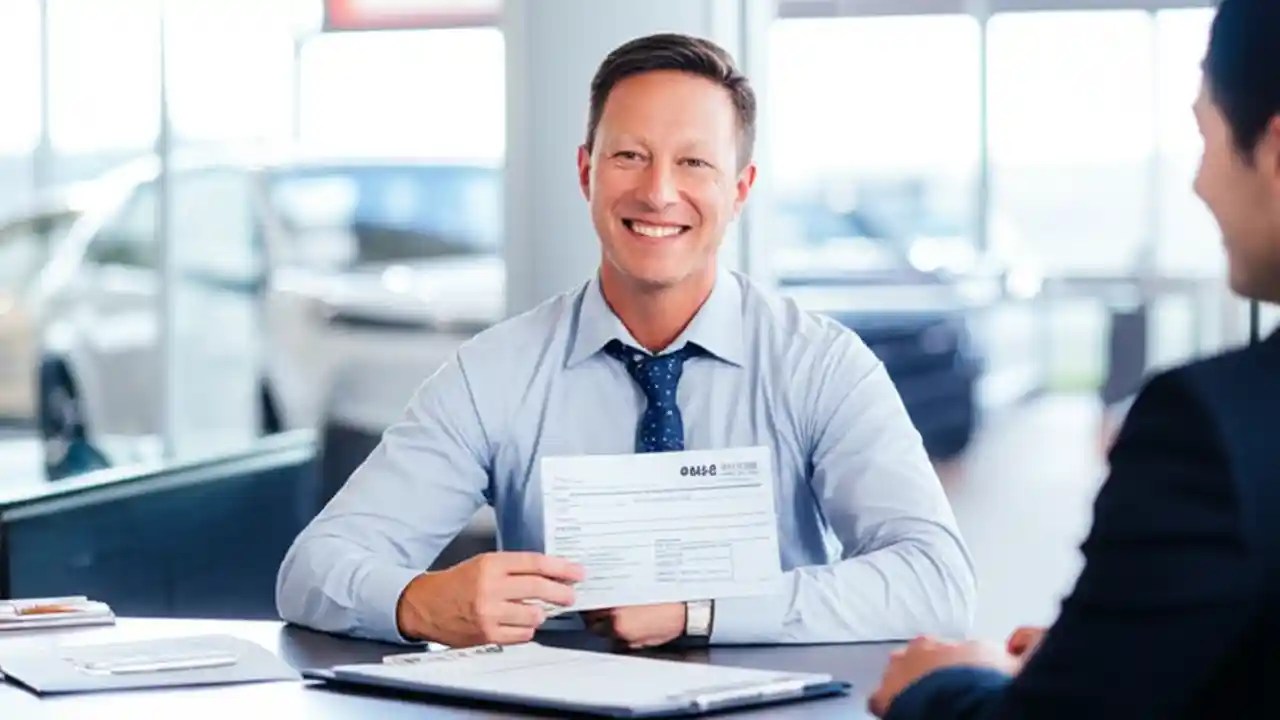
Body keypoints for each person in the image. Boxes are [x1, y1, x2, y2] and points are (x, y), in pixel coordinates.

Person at [277, 32, 975, 650]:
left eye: (695, 163)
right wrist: (416, 603)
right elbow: (315, 569)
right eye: (630, 156)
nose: (658, 191)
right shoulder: (496, 372)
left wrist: (699, 611)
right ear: (586, 172)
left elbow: (936, 584)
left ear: (740, 189)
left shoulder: (820, 365)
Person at [870, 1, 1280, 717]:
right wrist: (1117, 647)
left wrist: (941, 684)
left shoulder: (1214, 432)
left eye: (1204, 138)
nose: (1199, 183)